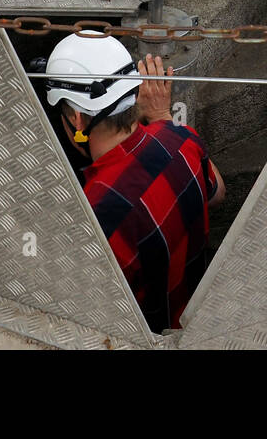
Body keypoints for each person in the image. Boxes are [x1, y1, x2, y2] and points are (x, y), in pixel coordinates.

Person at [40, 33, 225, 333]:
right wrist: (164, 118)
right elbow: (217, 195)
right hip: (195, 321)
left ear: (76, 119)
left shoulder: (95, 216)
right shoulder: (181, 139)